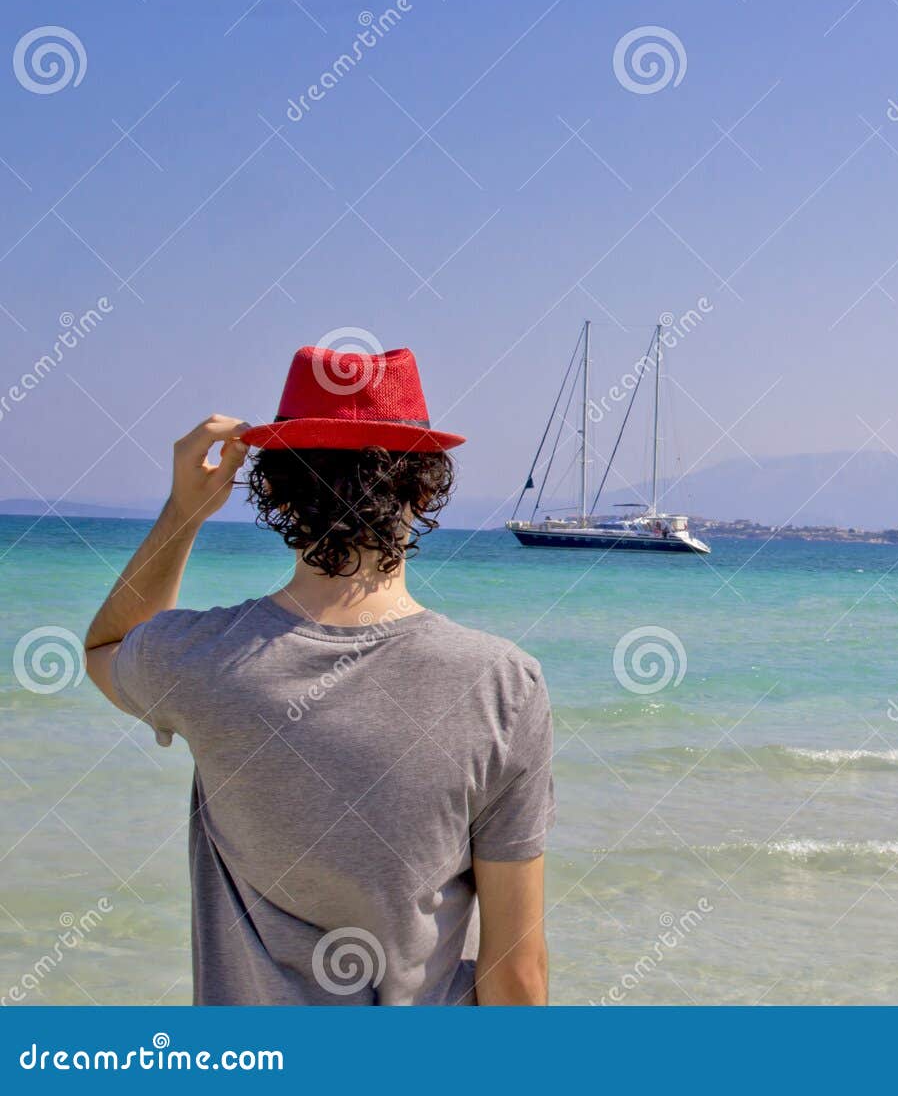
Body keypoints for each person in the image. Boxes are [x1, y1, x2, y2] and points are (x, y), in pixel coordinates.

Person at [83, 345, 553, 1005]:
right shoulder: (503, 686)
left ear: (272, 486)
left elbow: (107, 643)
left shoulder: (202, 659)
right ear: (423, 487)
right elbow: (516, 972)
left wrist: (183, 511)